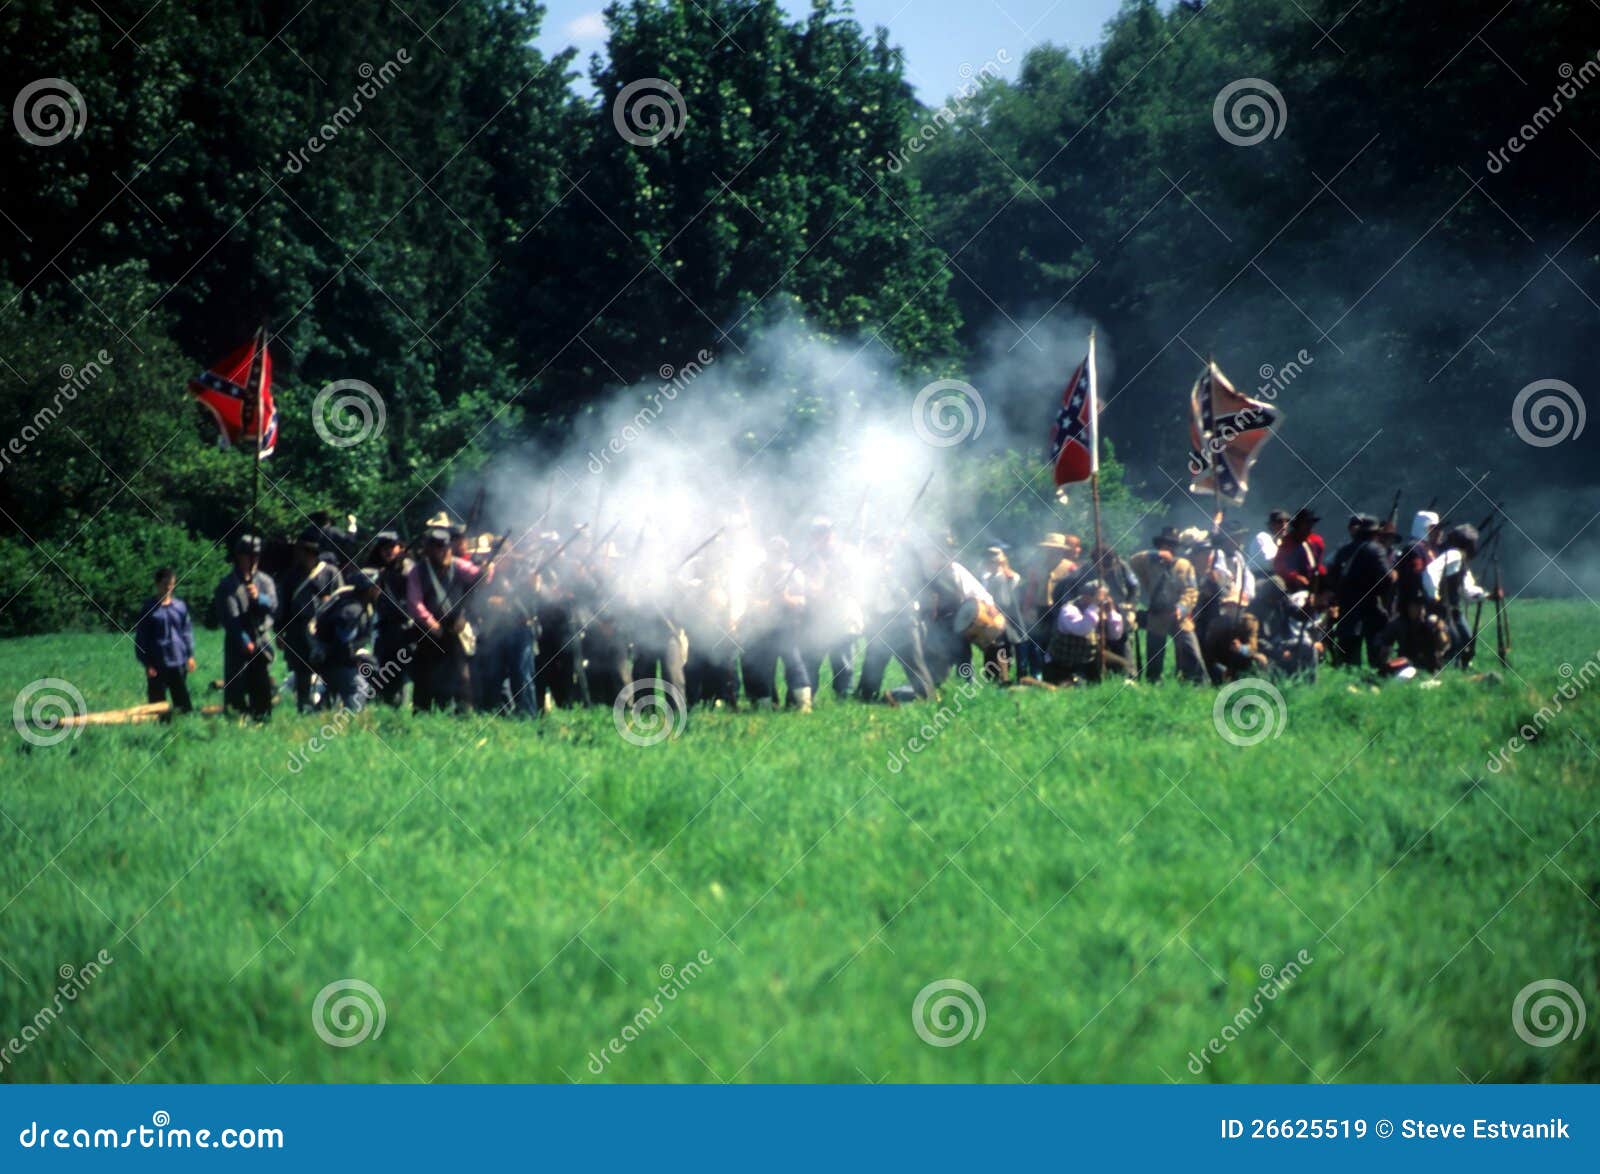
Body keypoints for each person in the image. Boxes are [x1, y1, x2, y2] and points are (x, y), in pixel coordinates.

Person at [406, 527, 490, 713]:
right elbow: (415, 604)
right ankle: (422, 714)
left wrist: (485, 572)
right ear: (429, 550)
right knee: (425, 676)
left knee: (461, 675)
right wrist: (432, 625)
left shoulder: (458, 565)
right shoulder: (418, 572)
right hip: (428, 631)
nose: (444, 552)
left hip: (453, 628)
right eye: (439, 548)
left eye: (446, 548)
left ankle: (462, 712)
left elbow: (477, 575)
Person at [742, 536, 813, 711]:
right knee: (762, 667)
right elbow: (747, 598)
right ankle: (765, 704)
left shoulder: (794, 573)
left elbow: (802, 601)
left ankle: (803, 704)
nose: (777, 554)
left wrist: (785, 599)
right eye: (774, 551)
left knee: (794, 663)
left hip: (787, 626)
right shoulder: (757, 573)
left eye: (780, 551)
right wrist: (763, 604)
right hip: (762, 627)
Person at [1128, 526, 1205, 683]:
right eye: (1164, 545)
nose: (1167, 548)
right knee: (1154, 653)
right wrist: (1155, 554)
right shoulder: (1149, 563)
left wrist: (1181, 608)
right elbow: (1132, 561)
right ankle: (1153, 681)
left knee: (1190, 648)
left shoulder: (1184, 565)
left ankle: (1196, 681)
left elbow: (1191, 591)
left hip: (1179, 616)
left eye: (1171, 545)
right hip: (1157, 614)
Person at [279, 526, 342, 712]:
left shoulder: (330, 573)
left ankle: (326, 708)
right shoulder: (291, 576)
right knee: (301, 673)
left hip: (324, 631)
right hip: (298, 630)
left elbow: (342, 603)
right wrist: (280, 631)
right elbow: (284, 606)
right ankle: (304, 707)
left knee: (329, 671)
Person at [214, 534, 278, 719]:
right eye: (249, 555)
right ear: (239, 556)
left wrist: (259, 598)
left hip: (261, 640)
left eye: (257, 555)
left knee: (261, 687)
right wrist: (244, 640)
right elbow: (230, 618)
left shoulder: (265, 581)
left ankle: (262, 719)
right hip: (238, 643)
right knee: (236, 686)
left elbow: (273, 605)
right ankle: (236, 720)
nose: (253, 560)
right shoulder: (227, 585)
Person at [1329, 516, 1393, 669]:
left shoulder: (1343, 551)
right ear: (1376, 533)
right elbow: (1388, 577)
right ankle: (1377, 675)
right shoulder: (1376, 549)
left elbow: (1332, 577)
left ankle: (1349, 680)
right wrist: (1381, 593)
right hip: (1370, 604)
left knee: (1349, 653)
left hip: (1347, 605)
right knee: (1377, 647)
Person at [314, 568, 382, 710]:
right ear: (369, 589)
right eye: (376, 586)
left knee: (330, 697)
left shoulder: (353, 603)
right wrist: (356, 659)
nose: (379, 590)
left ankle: (318, 716)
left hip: (330, 660)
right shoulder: (352, 611)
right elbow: (343, 644)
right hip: (337, 662)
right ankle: (352, 724)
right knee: (358, 689)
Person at [134, 567, 195, 714]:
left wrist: (190, 655)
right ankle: (158, 728)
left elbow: (186, 632)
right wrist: (147, 663)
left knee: (182, 702)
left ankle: (183, 726)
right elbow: (141, 638)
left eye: (172, 584)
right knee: (156, 705)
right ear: (157, 584)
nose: (169, 587)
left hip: (178, 660)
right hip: (157, 662)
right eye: (165, 584)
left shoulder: (180, 607)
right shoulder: (148, 608)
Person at [1044, 579, 1128, 684]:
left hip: (1089, 659)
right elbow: (1082, 629)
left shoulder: (1101, 608)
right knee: (1075, 683)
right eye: (1097, 597)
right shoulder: (1069, 609)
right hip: (1064, 662)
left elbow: (1115, 635)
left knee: (1123, 666)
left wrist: (1111, 612)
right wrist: (1094, 605)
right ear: (1085, 596)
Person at [370, 531, 416, 706]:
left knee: (405, 671)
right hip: (385, 627)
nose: (387, 552)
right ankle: (388, 704)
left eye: (391, 547)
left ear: (401, 548)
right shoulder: (379, 571)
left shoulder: (410, 570)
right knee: (384, 671)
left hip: (406, 628)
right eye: (384, 548)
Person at [980, 546, 1024, 683]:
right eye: (988, 562)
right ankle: (993, 677)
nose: (990, 564)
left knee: (1003, 648)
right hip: (989, 619)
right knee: (991, 649)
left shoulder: (1010, 577)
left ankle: (1004, 678)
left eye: (993, 562)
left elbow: (1007, 602)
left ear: (1000, 562)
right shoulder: (986, 578)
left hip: (1005, 619)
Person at [1272, 508, 1326, 595]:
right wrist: (1295, 576)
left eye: (1310, 523)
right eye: (1306, 523)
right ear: (1298, 525)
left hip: (1314, 583)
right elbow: (1279, 564)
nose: (1309, 526)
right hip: (1293, 585)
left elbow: (1318, 565)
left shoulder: (1317, 541)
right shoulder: (1289, 541)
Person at [1247, 509, 1289, 577]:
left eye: (1286, 522)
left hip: (1275, 576)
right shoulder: (1263, 537)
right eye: (1280, 522)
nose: (1284, 526)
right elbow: (1270, 562)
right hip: (1260, 577)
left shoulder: (1281, 542)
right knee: (1277, 582)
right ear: (1271, 525)